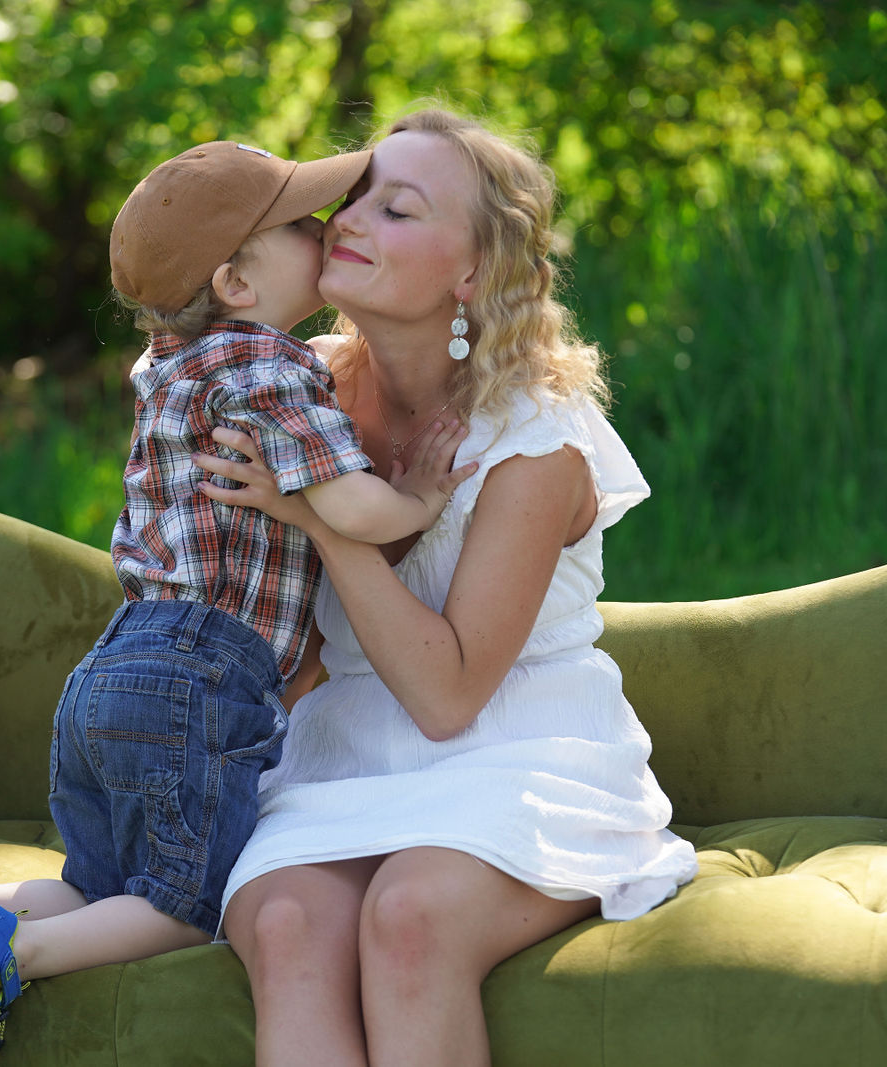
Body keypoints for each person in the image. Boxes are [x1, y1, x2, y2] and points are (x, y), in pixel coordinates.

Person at [0, 139, 474, 1067]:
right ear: (237, 281)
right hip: (202, 675)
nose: (326, 228)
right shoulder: (270, 370)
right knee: (186, 902)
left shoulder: (169, 366)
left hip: (113, 664)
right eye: (299, 223)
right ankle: (10, 951)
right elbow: (354, 508)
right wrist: (426, 497)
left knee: (102, 886)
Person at [190, 109, 700, 1067]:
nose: (349, 220)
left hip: (518, 753)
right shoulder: (292, 392)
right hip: (340, 756)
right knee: (290, 920)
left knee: (411, 913)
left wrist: (317, 518)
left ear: (472, 273)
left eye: (399, 209)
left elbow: (448, 696)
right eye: (354, 200)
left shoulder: (534, 436)